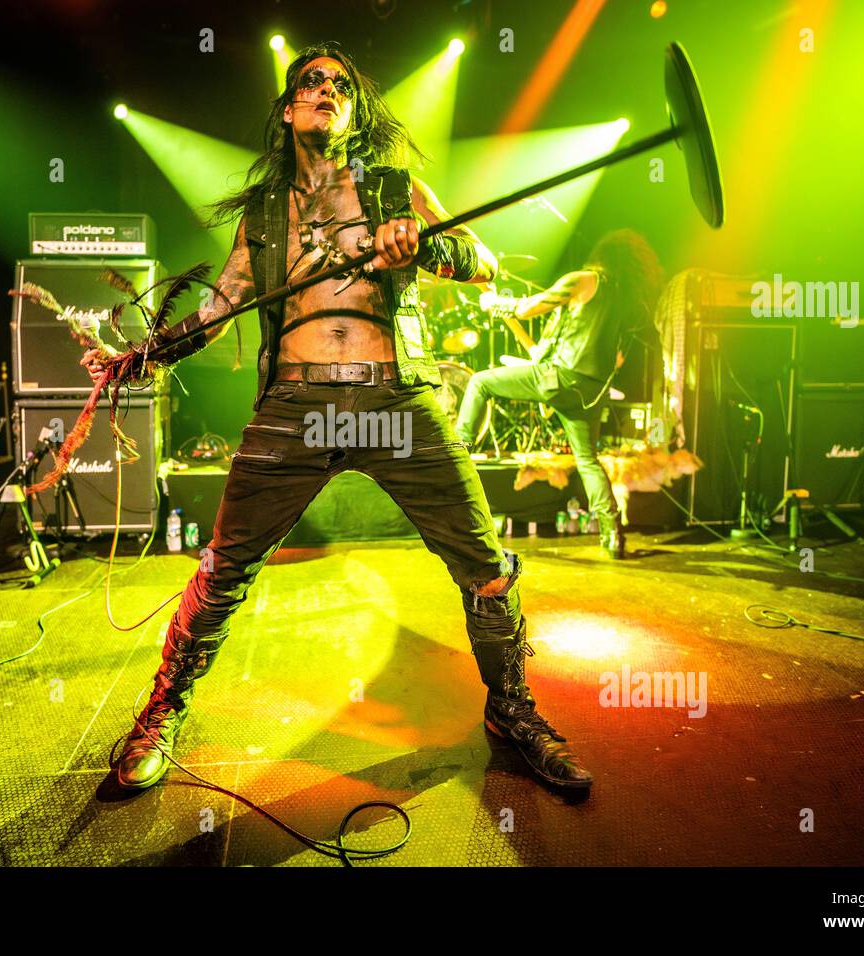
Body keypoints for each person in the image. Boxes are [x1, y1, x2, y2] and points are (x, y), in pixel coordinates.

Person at [89, 42, 593, 795]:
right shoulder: (263, 212)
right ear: (289, 107)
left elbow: (482, 261)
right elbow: (223, 305)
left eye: (340, 84)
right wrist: (148, 353)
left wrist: (421, 247)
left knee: (487, 571)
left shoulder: (394, 189)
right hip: (295, 406)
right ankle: (163, 711)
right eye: (311, 80)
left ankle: (512, 711)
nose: (326, 88)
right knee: (223, 568)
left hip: (392, 399)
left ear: (353, 110)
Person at [454, 229, 665, 558]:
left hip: (559, 378)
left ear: (602, 254)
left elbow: (528, 308)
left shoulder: (584, 279)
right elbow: (620, 357)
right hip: (590, 392)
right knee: (587, 461)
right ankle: (613, 537)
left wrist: (495, 304)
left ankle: (458, 448)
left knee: (480, 381)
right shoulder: (628, 303)